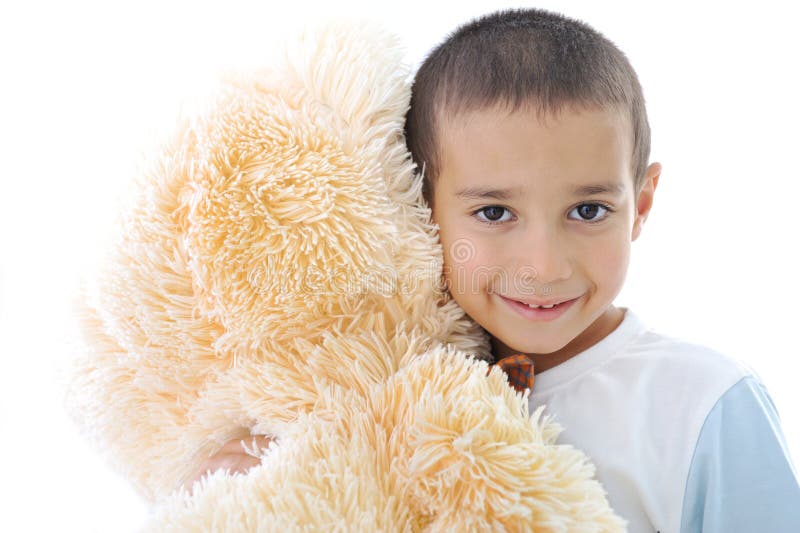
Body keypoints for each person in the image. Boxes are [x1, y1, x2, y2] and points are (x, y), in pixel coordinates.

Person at [185, 8, 800, 531]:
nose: (543, 264)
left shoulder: (703, 403)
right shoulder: (384, 391)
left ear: (641, 203)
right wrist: (245, 490)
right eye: (495, 212)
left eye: (588, 210)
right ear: (422, 208)